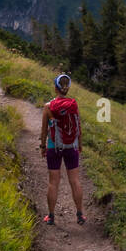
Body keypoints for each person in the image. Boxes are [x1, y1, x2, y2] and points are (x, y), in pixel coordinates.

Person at [39, 73, 84, 226]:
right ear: (67, 88)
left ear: (55, 87)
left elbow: (44, 130)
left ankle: (51, 216)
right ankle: (79, 214)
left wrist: (43, 147)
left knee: (53, 183)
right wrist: (80, 143)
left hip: (54, 147)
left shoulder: (48, 107)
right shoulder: (73, 104)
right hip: (71, 146)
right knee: (75, 180)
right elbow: (78, 125)